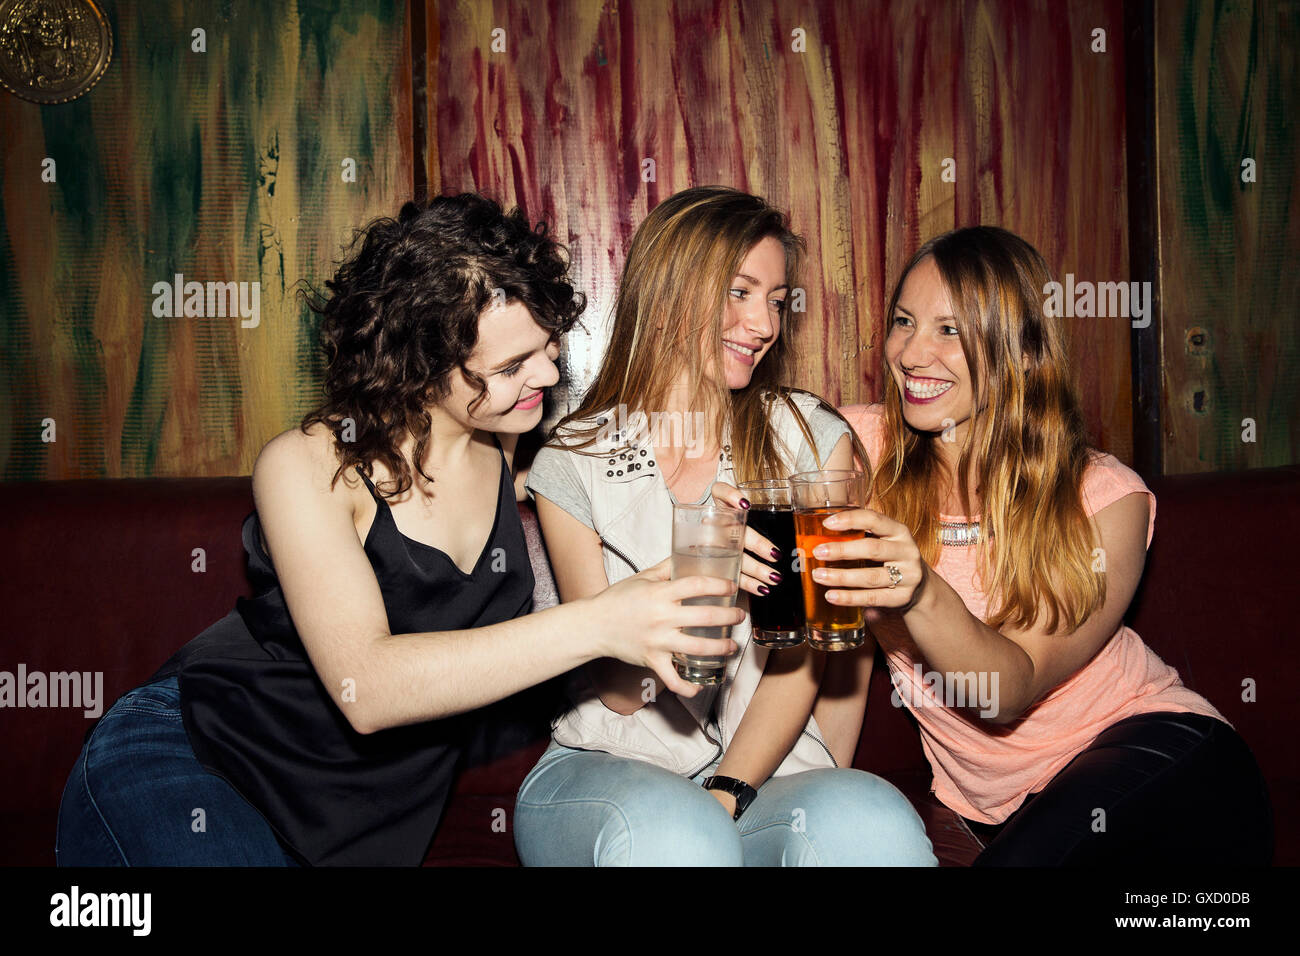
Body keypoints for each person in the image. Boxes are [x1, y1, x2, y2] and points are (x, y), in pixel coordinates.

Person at [55, 193, 750, 866]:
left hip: (352, 830)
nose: (546, 373)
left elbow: (658, 441)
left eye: (547, 345)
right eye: (511, 366)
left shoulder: (509, 448)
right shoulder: (307, 465)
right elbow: (371, 688)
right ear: (419, 368)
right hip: (195, 758)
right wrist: (600, 624)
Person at [815, 225, 1272, 865]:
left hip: (1165, 764)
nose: (912, 353)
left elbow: (1008, 691)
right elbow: (730, 452)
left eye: (950, 330)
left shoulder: (1107, 498)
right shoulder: (860, 451)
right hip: (1009, 813)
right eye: (903, 321)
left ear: (1022, 352)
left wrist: (919, 588)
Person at [513, 186, 937, 866]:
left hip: (763, 772)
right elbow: (621, 693)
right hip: (613, 765)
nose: (763, 323)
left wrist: (729, 793)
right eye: (740, 292)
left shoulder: (809, 439)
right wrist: (701, 577)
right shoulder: (575, 457)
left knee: (874, 821)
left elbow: (809, 655)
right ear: (672, 287)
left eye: (774, 300)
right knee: (678, 841)